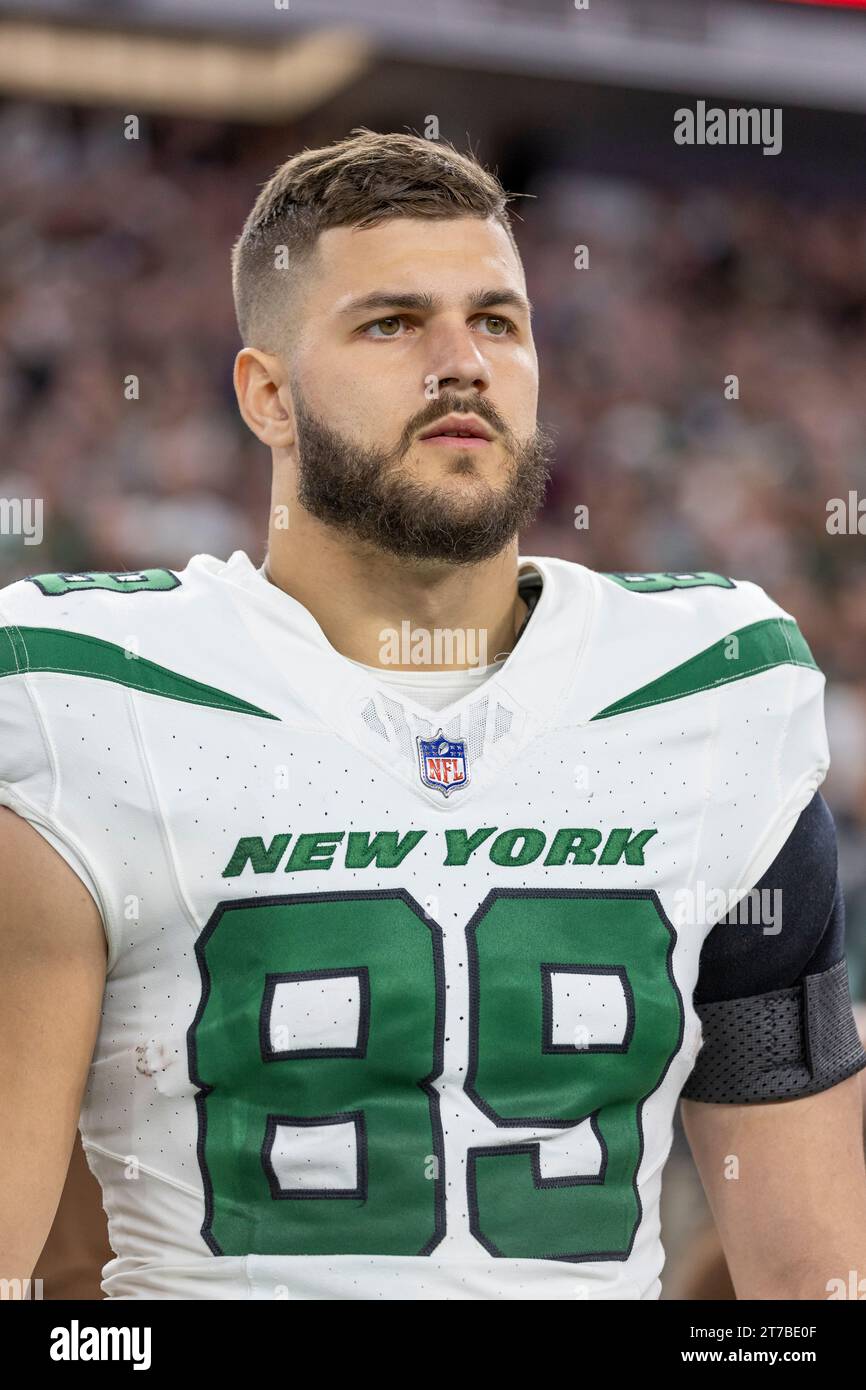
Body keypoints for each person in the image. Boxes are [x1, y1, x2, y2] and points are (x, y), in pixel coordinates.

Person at [1, 128, 865, 1301]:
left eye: (496, 322)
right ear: (266, 395)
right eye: (390, 323)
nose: (460, 362)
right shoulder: (86, 699)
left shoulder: (711, 689)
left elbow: (807, 1287)